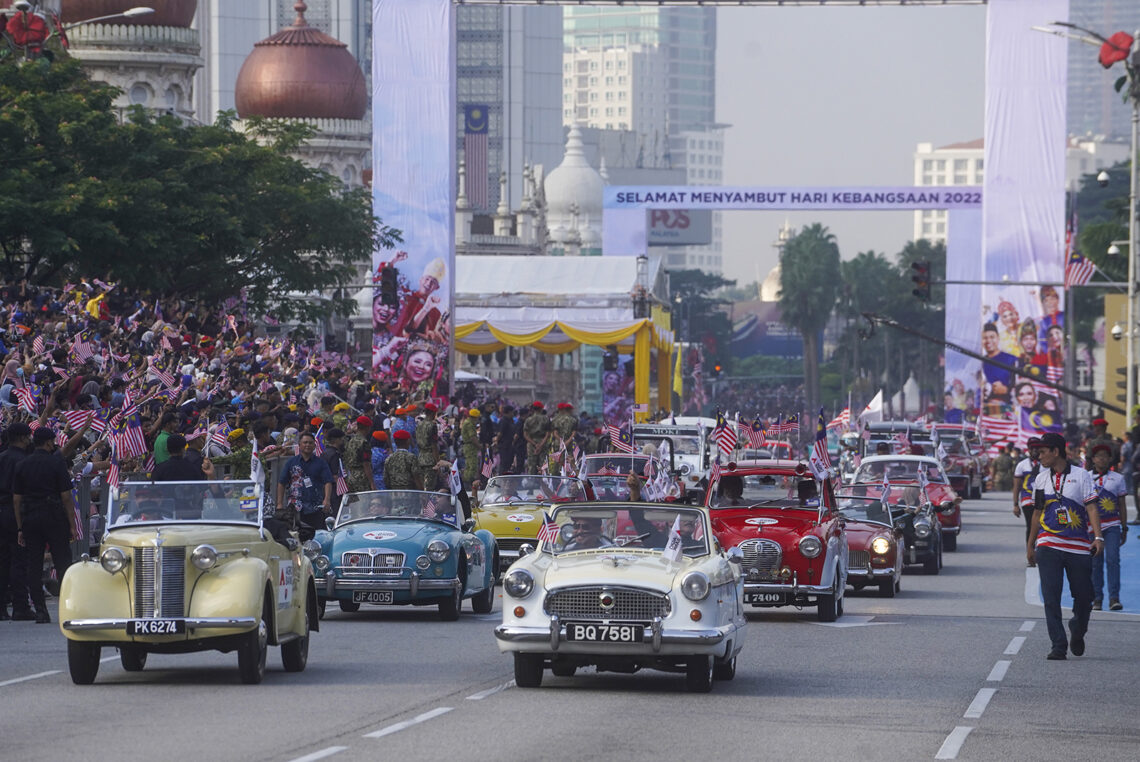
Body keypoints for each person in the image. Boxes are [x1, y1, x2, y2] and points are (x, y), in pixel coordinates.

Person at [1027, 432, 1104, 660]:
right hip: (1048, 544)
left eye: (1042, 452)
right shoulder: (1041, 479)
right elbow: (1037, 513)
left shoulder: (1081, 476)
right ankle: (1058, 645)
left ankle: (1078, 629)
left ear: (1055, 451)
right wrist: (1031, 545)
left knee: (1084, 596)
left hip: (1078, 546)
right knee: (1051, 596)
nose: (1038, 456)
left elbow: (1091, 508)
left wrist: (1098, 537)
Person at [13, 428, 77, 623]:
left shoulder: (22, 464)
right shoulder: (57, 463)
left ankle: (40, 610)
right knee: (63, 562)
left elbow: (17, 499)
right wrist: (72, 524)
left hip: (31, 516)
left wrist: (20, 527)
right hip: (54, 515)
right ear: (49, 443)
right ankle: (68, 608)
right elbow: (66, 497)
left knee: (33, 564)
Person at [1087, 443, 1127, 611]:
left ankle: (1114, 598)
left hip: (1112, 525)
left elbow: (1122, 505)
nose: (1101, 458)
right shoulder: (1086, 477)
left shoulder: (1118, 478)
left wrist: (1124, 528)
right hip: (1091, 527)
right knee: (1095, 563)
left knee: (1112, 559)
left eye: (1105, 456)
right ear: (1093, 459)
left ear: (1110, 459)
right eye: (1098, 456)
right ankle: (1096, 598)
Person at [0, 423, 34, 621]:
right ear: (22, 438)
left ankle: (2, 607)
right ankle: (20, 606)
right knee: (19, 560)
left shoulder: (2, 458)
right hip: (16, 512)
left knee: (2, 561)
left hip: (1, 510)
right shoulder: (24, 461)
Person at [275, 432, 334, 540]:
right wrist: (279, 504)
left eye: (310, 443)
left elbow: (328, 482)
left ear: (314, 445)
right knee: (296, 538)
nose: (307, 445)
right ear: (299, 445)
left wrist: (327, 500)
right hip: (295, 508)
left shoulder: (321, 463)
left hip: (315, 508)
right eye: (305, 442)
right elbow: (281, 483)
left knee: (317, 537)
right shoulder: (291, 462)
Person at [981, 322, 1017, 405]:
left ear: (998, 338)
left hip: (1008, 407)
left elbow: (1022, 387)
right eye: (985, 338)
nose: (988, 341)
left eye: (992, 337)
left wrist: (1006, 390)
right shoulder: (981, 362)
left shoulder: (1011, 359)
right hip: (986, 408)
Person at [417, 402, 441, 490]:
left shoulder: (419, 424)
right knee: (429, 488)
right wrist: (438, 462)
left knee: (423, 486)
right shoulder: (432, 426)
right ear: (432, 413)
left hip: (420, 458)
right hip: (430, 460)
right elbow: (434, 445)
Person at [524, 401, 552, 473]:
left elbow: (525, 435)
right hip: (543, 443)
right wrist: (541, 444)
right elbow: (548, 434)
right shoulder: (546, 419)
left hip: (531, 444)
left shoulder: (528, 420)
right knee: (543, 466)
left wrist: (535, 444)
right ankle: (543, 482)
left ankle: (532, 482)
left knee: (531, 466)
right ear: (541, 409)